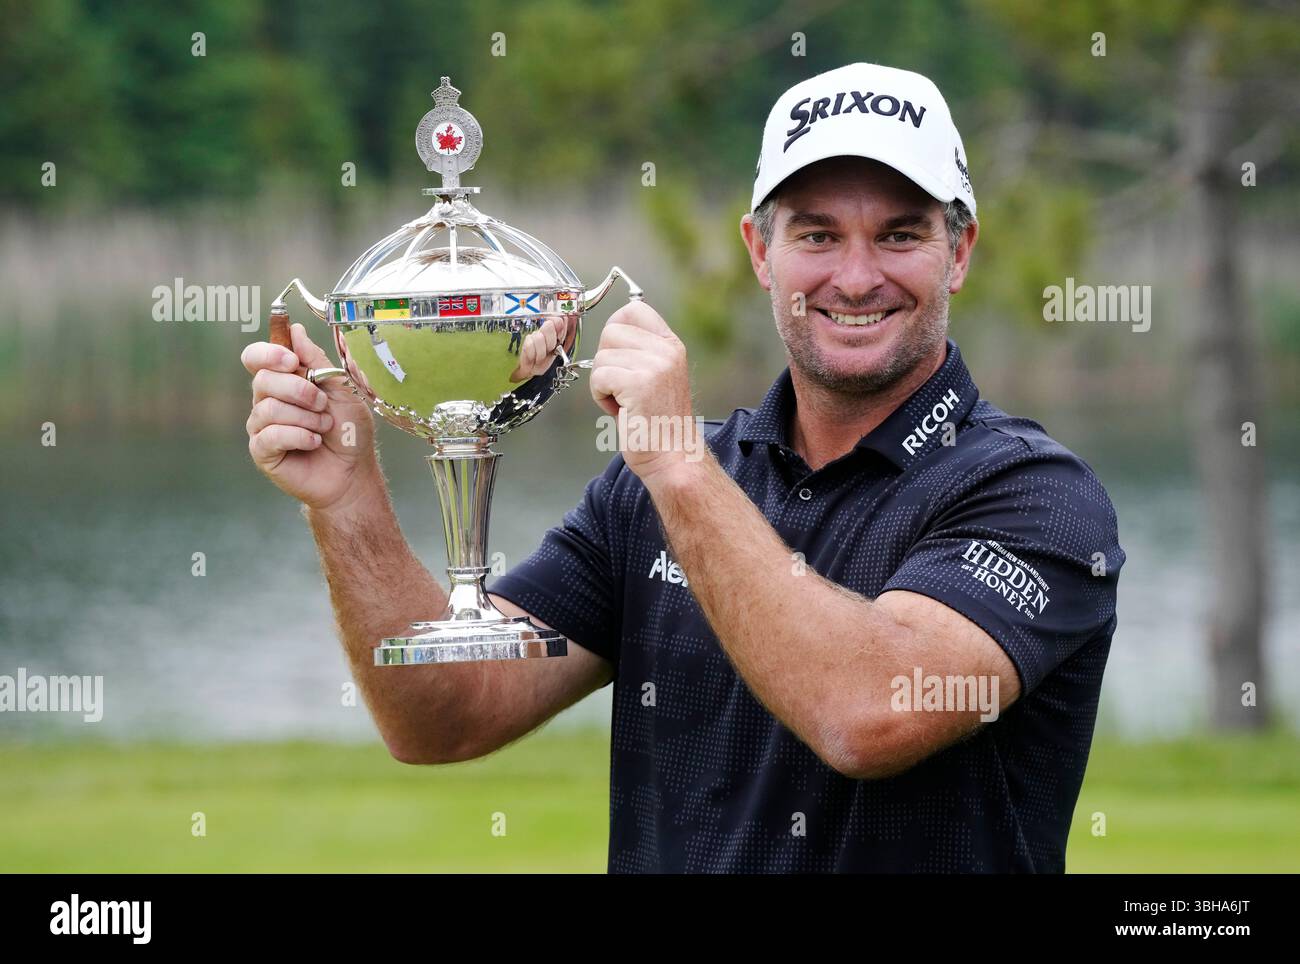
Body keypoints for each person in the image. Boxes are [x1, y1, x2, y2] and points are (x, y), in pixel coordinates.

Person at [241, 62, 1123, 873]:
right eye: (816, 236)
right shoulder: (646, 494)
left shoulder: (1034, 496)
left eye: (899, 235)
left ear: (958, 253)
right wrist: (348, 497)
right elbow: (441, 717)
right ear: (758, 251)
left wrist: (678, 468)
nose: (857, 277)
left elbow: (869, 712)